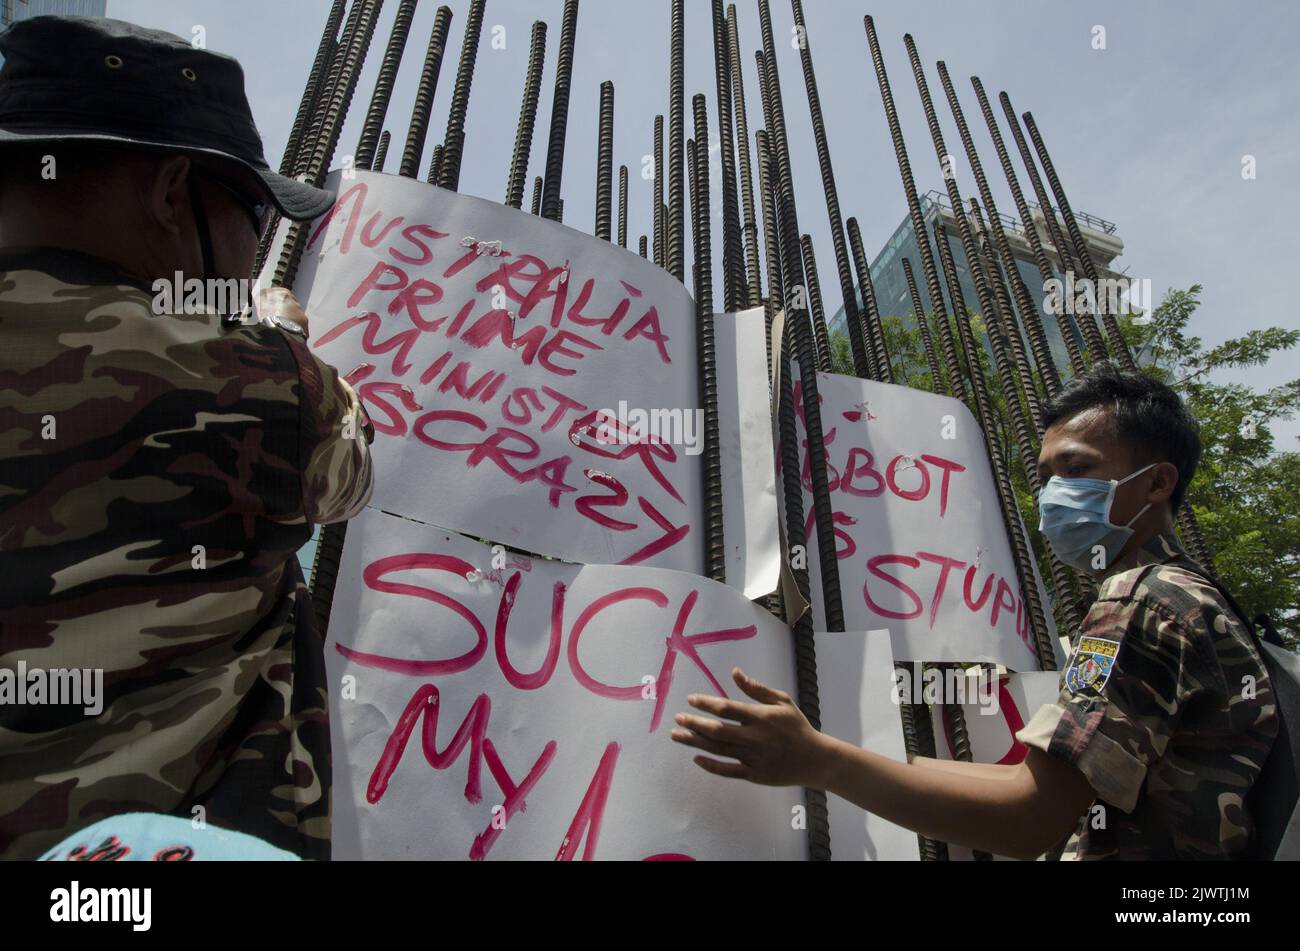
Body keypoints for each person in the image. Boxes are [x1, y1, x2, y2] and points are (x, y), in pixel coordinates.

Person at [0, 16, 373, 859]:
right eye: (254, 216)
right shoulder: (257, 384)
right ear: (173, 191)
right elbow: (351, 457)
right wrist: (278, 334)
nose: (256, 250)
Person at [673, 360, 1278, 860]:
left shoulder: (1143, 602)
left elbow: (1028, 820)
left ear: (1157, 482)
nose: (1053, 496)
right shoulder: (1190, 595)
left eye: (1077, 469)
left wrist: (822, 762)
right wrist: (836, 752)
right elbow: (1036, 781)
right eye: (1044, 478)